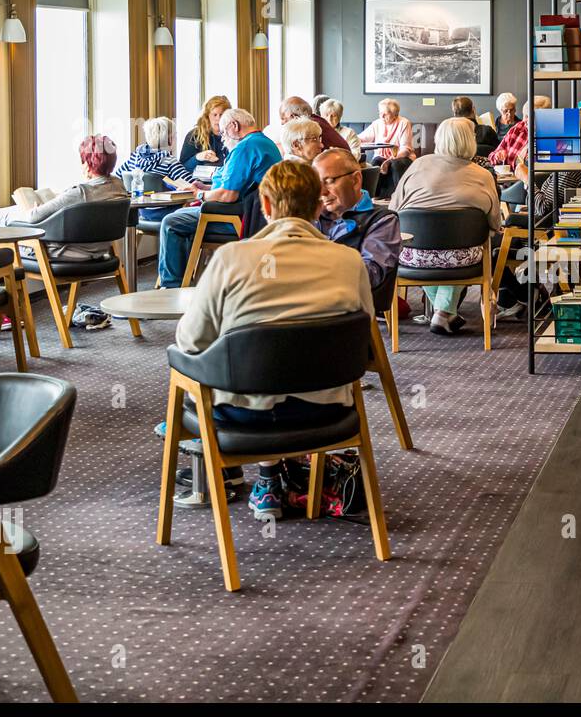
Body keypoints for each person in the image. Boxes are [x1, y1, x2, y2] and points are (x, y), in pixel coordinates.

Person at [174, 159, 376, 520]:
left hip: (243, 415)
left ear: (265, 205)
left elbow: (190, 341)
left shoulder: (230, 258)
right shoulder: (349, 261)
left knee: (188, 367)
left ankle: (220, 469)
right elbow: (363, 340)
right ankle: (269, 478)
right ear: (318, 205)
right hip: (328, 409)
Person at [389, 117, 501, 336]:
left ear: (439, 139)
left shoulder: (418, 165)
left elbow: (394, 210)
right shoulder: (483, 175)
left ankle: (442, 311)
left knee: (434, 245)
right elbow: (494, 223)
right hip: (462, 258)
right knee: (469, 241)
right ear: (471, 141)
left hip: (413, 256)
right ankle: (443, 312)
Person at [157, 108, 282, 288]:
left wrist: (200, 194)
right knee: (182, 218)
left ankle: (171, 287)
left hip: (235, 217)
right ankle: (187, 282)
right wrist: (207, 187)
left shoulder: (245, 147)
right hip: (253, 214)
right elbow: (236, 185)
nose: (222, 139)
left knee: (171, 222)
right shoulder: (263, 142)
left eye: (223, 133)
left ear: (234, 126)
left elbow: (228, 195)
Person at [11, 134, 129, 262]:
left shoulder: (81, 192)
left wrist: (31, 209)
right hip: (102, 251)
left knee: (9, 245)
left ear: (87, 163)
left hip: (67, 253)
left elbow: (33, 217)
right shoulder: (119, 185)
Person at [313, 148, 402, 300]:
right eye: (316, 184)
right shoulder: (311, 215)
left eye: (329, 182)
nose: (322, 192)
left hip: (349, 306)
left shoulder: (382, 220)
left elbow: (369, 275)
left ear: (355, 180)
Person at [118, 116, 209, 220]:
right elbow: (192, 185)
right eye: (174, 136)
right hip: (167, 213)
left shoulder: (134, 158)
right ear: (169, 139)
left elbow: (117, 177)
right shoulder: (169, 161)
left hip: (140, 214)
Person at [490, 95, 552, 168]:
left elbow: (545, 171)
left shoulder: (552, 136)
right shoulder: (517, 128)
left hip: (533, 179)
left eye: (529, 116)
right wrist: (498, 156)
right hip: (508, 177)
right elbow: (492, 157)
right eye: (524, 115)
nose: (525, 120)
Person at [276, 96, 350, 152]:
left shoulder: (309, 127)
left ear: (294, 116)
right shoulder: (318, 120)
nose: (282, 123)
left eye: (283, 118)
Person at [179, 95, 232, 170]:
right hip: (198, 180)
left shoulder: (235, 135)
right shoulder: (194, 135)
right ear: (207, 116)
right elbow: (182, 168)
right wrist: (198, 158)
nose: (219, 119)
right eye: (214, 115)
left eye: (222, 115)